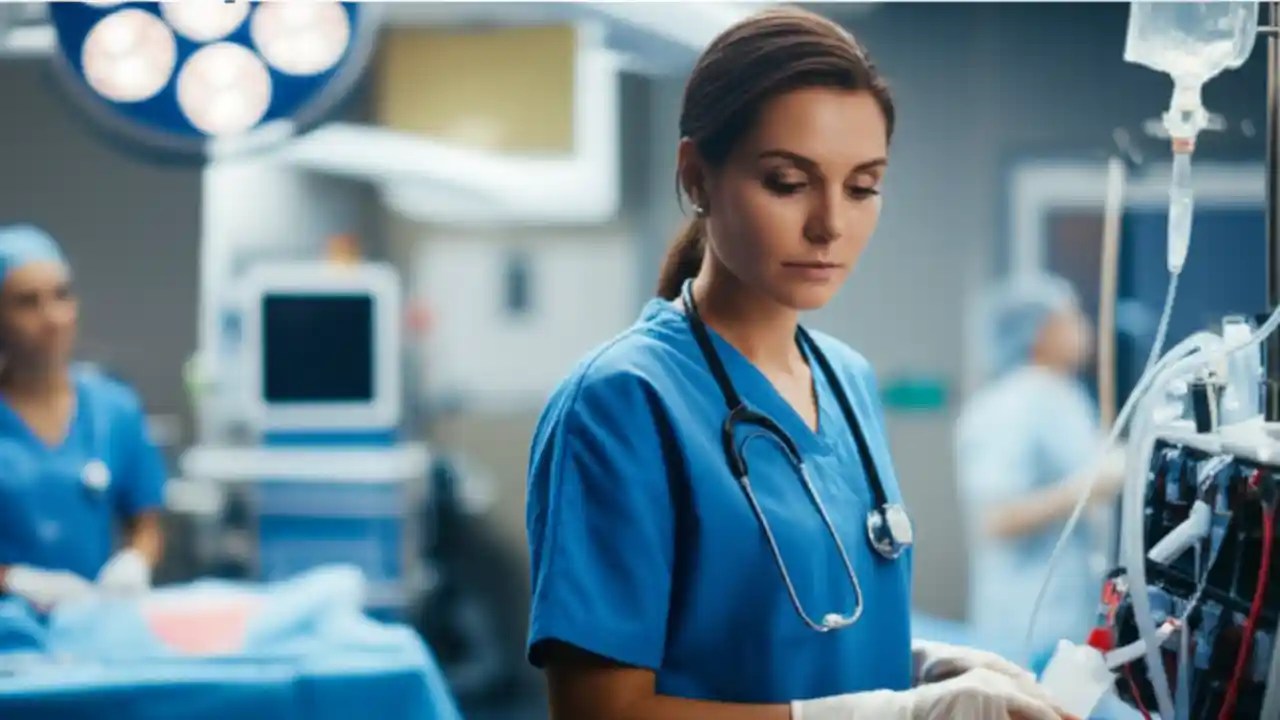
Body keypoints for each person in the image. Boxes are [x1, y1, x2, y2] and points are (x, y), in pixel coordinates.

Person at [524, 9, 1074, 720]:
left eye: (862, 187)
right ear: (697, 177)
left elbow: (777, 629)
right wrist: (892, 716)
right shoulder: (621, 402)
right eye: (788, 182)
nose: (830, 225)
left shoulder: (847, 380)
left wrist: (920, 665)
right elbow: (601, 712)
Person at [955, 274, 1124, 672]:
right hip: (1026, 622)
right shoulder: (1009, 405)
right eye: (1072, 317)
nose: (1085, 328)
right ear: (1042, 332)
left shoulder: (1065, 395)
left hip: (1074, 616)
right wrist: (1088, 487)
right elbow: (995, 519)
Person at [0, 224, 165, 612]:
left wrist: (135, 562)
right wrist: (15, 580)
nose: (52, 317)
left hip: (90, 626)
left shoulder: (114, 409)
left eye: (62, 295)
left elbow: (146, 523)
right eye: (27, 302)